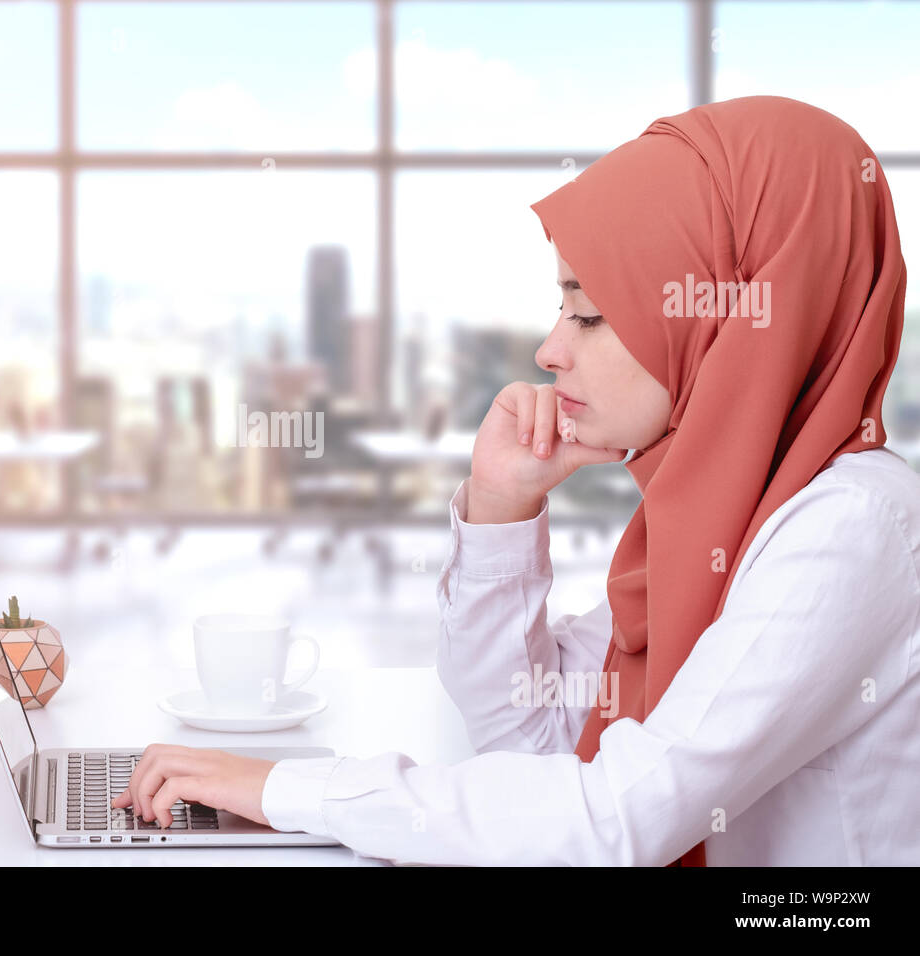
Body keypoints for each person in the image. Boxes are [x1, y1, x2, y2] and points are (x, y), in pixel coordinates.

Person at [111, 95, 920, 865]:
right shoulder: (726, 519)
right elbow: (529, 734)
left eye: (591, 314)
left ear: (733, 317)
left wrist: (284, 789)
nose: (550, 350)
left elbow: (618, 818)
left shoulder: (847, 530)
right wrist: (501, 507)